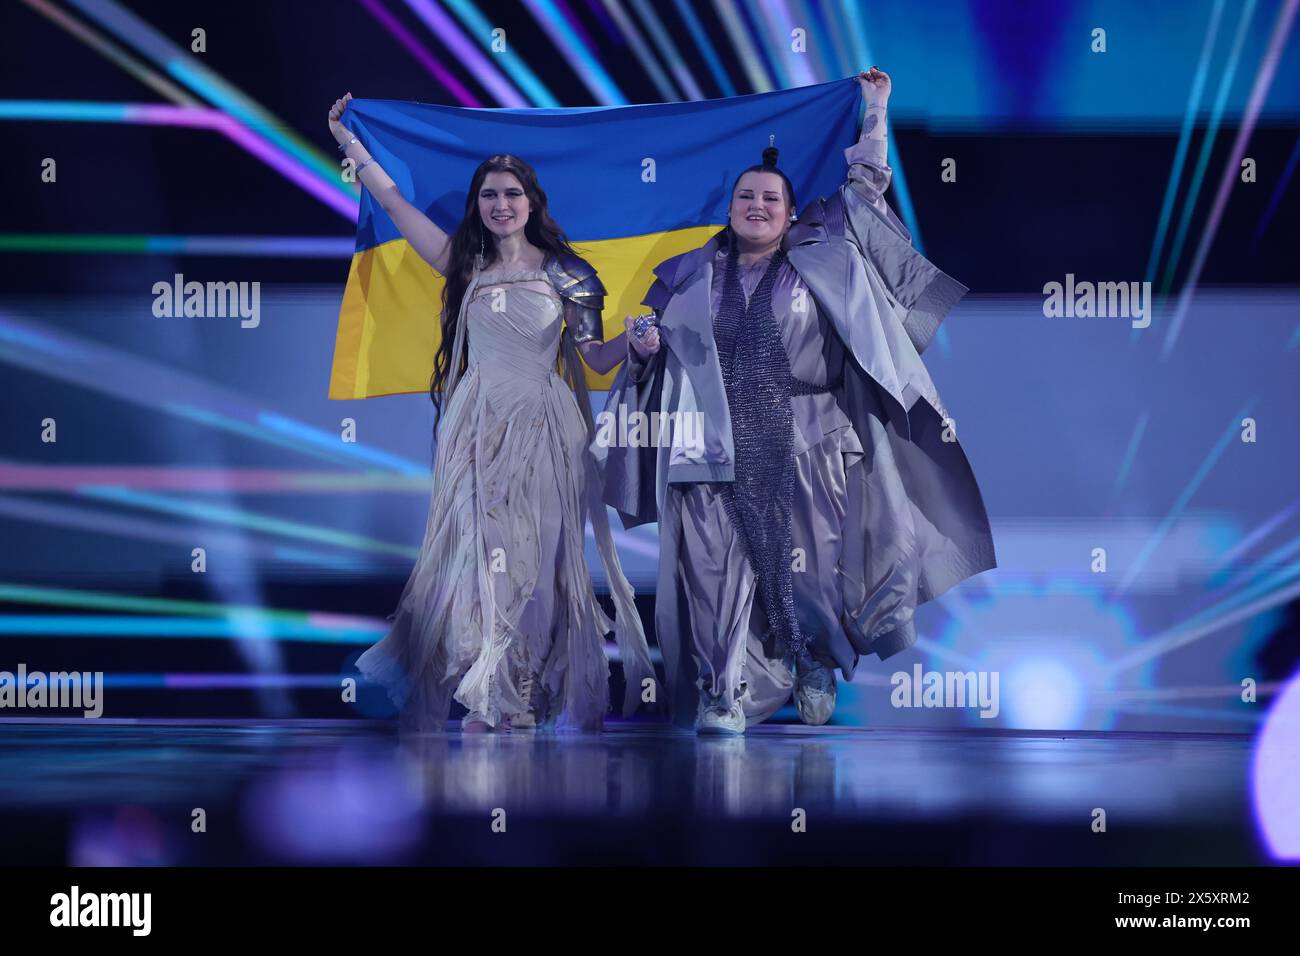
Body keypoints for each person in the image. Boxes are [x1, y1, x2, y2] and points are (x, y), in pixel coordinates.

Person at [600, 69, 996, 734]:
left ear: (790, 214)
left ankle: (813, 660)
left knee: (809, 585)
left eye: (771, 199)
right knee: (710, 581)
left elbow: (865, 188)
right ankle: (729, 691)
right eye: (746, 196)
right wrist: (642, 351)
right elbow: (657, 350)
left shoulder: (823, 259)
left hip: (810, 442)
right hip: (708, 450)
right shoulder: (689, 273)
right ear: (729, 209)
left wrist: (876, 108)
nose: (757, 205)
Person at [328, 93, 655, 733]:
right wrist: (348, 141)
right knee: (478, 560)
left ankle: (521, 695)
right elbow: (395, 205)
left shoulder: (568, 272)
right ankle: (491, 695)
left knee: (533, 564)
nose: (499, 204)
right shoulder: (462, 263)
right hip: (474, 430)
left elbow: (596, 360)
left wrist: (638, 343)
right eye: (488, 195)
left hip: (543, 427)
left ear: (531, 203)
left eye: (511, 193)